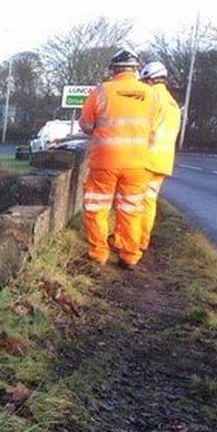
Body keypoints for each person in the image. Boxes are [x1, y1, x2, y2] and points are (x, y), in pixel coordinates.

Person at [78, 49, 162, 270]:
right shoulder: (152, 95)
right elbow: (154, 129)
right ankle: (130, 256)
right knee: (131, 209)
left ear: (114, 70)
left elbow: (86, 125)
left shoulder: (101, 92)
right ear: (135, 70)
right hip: (139, 163)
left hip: (105, 160)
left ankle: (98, 253)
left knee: (97, 206)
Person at [139, 61, 182, 252]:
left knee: (133, 203)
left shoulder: (151, 98)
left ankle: (129, 242)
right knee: (149, 201)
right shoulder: (173, 104)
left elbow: (144, 129)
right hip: (163, 161)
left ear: (149, 79)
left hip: (146, 159)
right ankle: (142, 241)